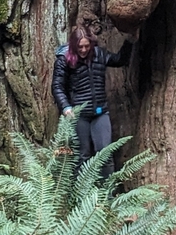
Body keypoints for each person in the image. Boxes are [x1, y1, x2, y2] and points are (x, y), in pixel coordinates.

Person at [51, 25, 133, 178]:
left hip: (100, 112)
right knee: (82, 156)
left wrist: (130, 40)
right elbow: (57, 86)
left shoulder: (99, 54)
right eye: (80, 47)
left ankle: (106, 191)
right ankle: (82, 192)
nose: (83, 50)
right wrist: (66, 107)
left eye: (86, 46)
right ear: (73, 45)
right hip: (78, 114)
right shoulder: (64, 59)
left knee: (105, 154)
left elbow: (119, 60)